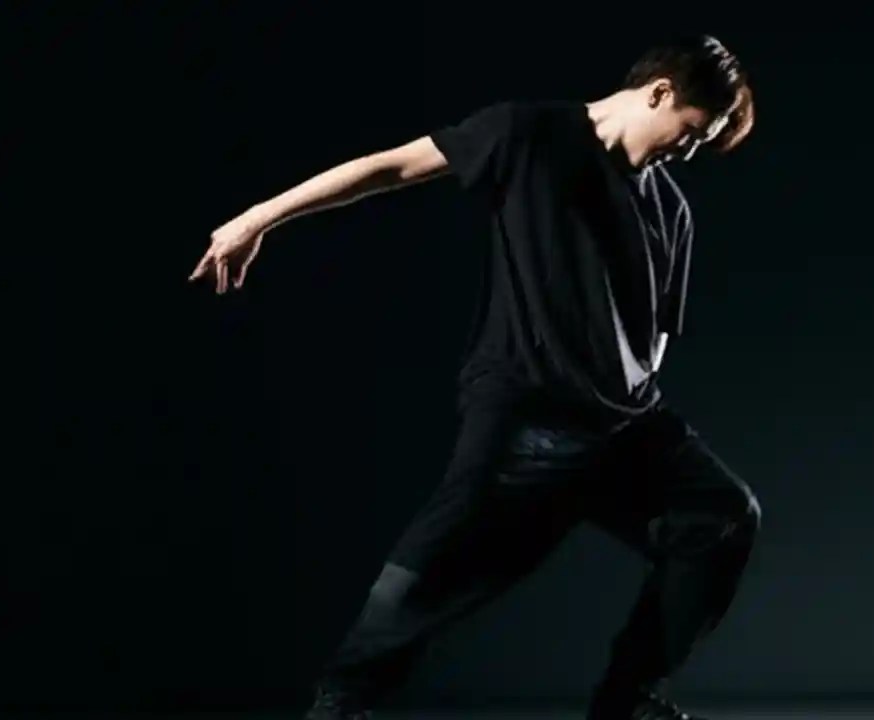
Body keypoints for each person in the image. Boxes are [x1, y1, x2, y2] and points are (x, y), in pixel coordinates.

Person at [190, 34, 762, 720]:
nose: (688, 153)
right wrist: (258, 218)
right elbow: (392, 167)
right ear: (660, 93)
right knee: (427, 574)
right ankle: (341, 704)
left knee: (722, 516)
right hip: (527, 417)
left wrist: (623, 398)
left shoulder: (672, 211)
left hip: (622, 427)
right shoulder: (529, 135)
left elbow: (657, 337)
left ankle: (626, 701)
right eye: (692, 133)